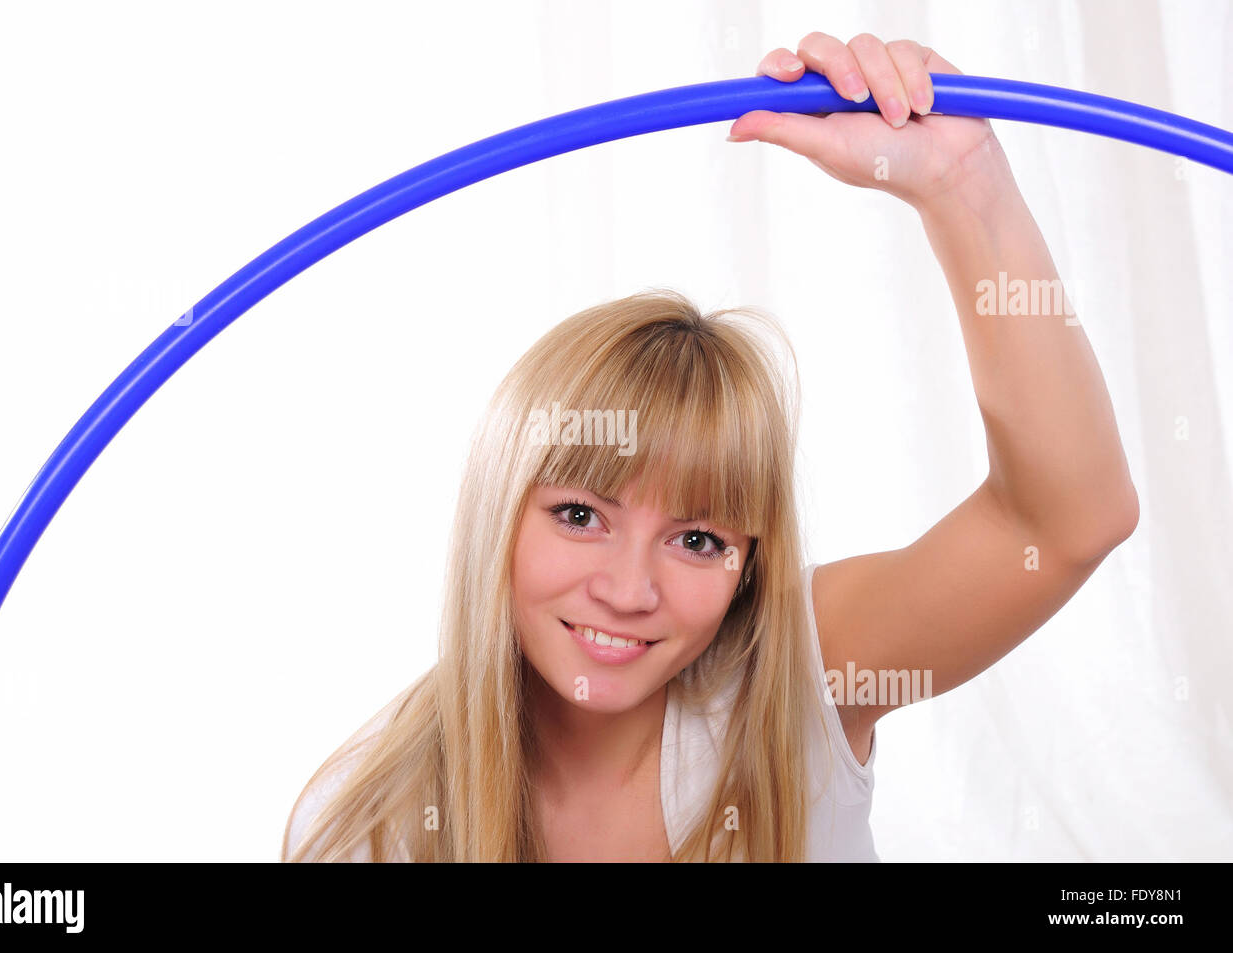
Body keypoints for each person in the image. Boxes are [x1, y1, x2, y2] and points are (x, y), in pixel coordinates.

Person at [281, 32, 1138, 862]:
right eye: (579, 514)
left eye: (699, 540)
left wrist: (965, 187)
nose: (626, 590)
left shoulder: (797, 681)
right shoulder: (369, 818)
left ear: (749, 564)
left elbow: (1068, 518)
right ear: (494, 514)